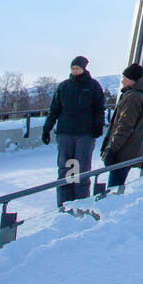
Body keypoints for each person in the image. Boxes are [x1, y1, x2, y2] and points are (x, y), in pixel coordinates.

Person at [43, 55, 105, 207]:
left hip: (85, 134)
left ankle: (81, 203)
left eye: (77, 68)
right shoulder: (64, 86)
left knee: (81, 169)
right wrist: (47, 128)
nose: (75, 71)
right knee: (66, 168)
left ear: (84, 69)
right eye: (73, 69)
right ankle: (64, 203)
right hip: (66, 133)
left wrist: (98, 126)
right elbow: (54, 110)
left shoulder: (93, 86)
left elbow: (99, 108)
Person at [101, 64, 143, 192]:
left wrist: (112, 149)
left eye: (124, 77)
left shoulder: (133, 97)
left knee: (114, 187)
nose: (122, 80)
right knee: (118, 184)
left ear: (131, 79)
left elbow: (124, 126)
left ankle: (113, 208)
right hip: (130, 149)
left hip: (124, 151)